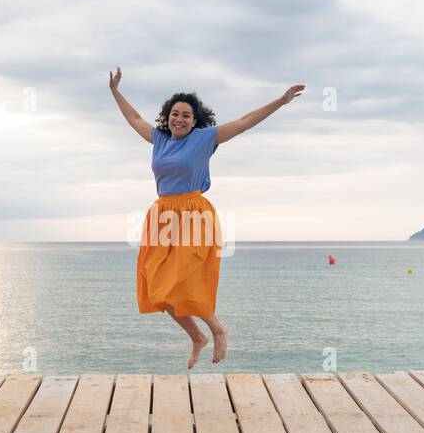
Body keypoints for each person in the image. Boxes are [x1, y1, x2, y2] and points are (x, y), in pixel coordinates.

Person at [109, 67, 305, 367]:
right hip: (162, 216)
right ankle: (198, 337)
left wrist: (280, 101)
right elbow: (134, 118)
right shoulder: (159, 138)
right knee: (158, 288)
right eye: (175, 113)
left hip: (193, 216)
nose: (179, 119)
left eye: (186, 115)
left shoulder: (205, 139)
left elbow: (244, 121)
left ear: (195, 121)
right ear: (168, 116)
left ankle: (217, 329)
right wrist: (116, 92)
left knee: (185, 282)